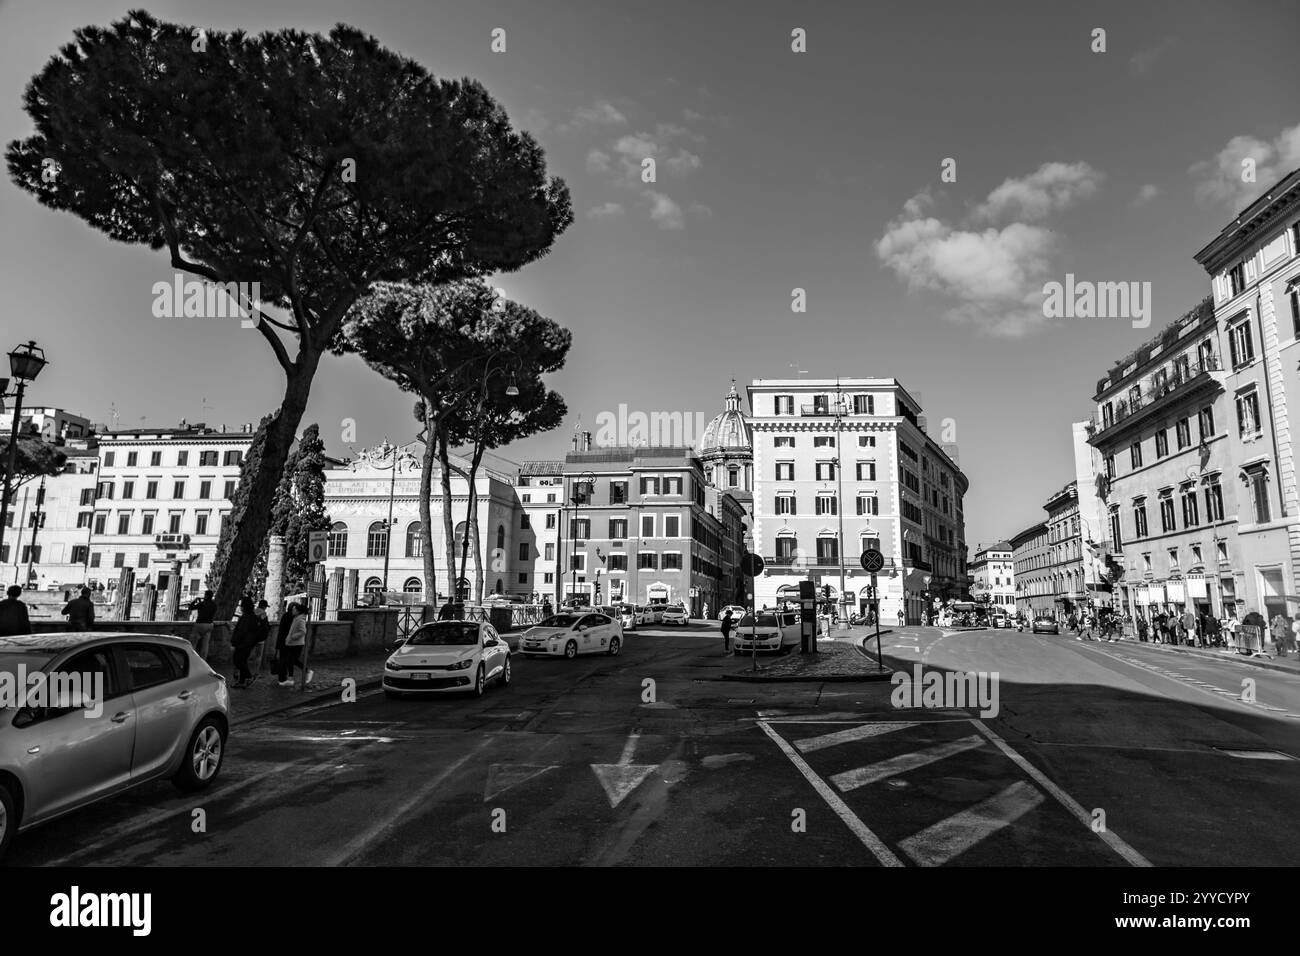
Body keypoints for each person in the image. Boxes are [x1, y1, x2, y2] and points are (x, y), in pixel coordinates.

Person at [278, 602, 313, 686]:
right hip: (292, 643)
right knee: (291, 660)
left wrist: (292, 637)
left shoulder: (300, 619)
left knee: (293, 660)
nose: (292, 611)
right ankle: (290, 679)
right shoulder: (296, 618)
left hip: (296, 643)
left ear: (298, 611)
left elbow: (303, 631)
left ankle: (307, 671)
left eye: (294, 610)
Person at [229, 596, 259, 687]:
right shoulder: (253, 617)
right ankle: (241, 681)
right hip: (249, 643)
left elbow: (241, 632)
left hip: (242, 644)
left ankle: (249, 677)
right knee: (243, 661)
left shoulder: (245, 618)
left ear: (244, 607)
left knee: (238, 661)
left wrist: (234, 642)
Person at [188, 589, 217, 661]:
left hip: (200, 624)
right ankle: (203, 660)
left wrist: (195, 600)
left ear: (206, 596)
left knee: (194, 642)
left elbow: (190, 607)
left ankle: (192, 659)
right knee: (205, 644)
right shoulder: (214, 605)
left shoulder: (202, 603)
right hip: (210, 624)